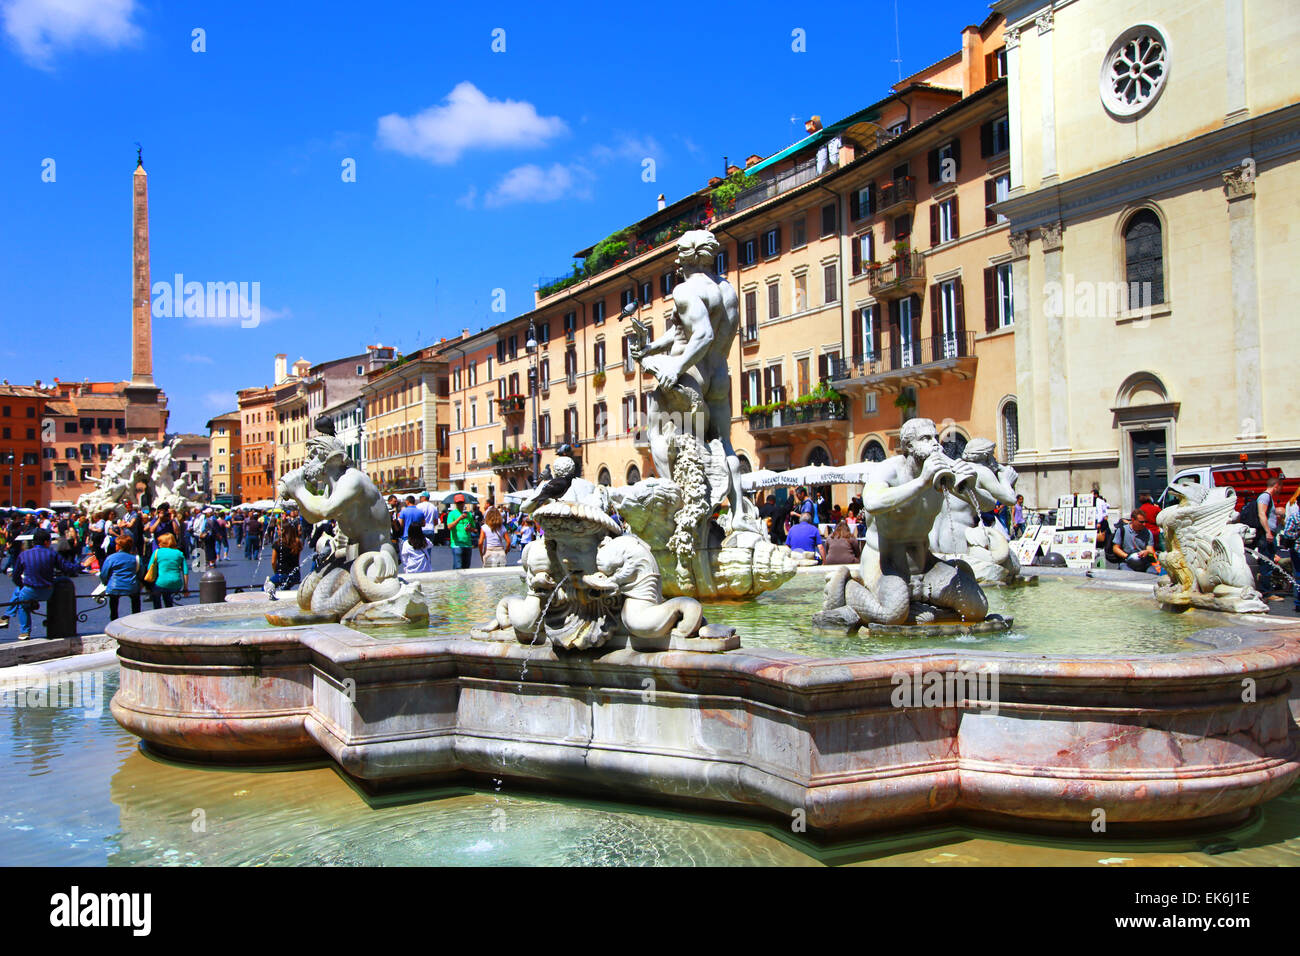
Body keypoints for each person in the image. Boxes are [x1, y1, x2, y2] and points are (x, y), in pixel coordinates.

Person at [0, 528, 80, 640]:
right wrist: (83, 565)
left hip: (30, 591)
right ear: (47, 542)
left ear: (33, 542)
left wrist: (22, 586)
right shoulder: (52, 554)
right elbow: (68, 568)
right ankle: (6, 617)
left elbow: (15, 575)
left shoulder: (24, 555)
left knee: (22, 601)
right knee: (61, 579)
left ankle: (23, 630)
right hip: (48, 591)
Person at [99, 533, 143, 620]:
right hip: (131, 585)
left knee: (114, 607)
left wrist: (105, 582)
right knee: (136, 604)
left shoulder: (111, 558)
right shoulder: (136, 558)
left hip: (114, 586)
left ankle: (114, 620)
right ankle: (136, 620)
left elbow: (104, 573)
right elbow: (140, 572)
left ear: (119, 546)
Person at [144, 533, 189, 608]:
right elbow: (185, 571)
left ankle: (158, 610)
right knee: (167, 596)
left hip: (161, 583)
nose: (158, 544)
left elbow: (149, 567)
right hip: (176, 583)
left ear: (165, 543)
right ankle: (169, 609)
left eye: (160, 542)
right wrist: (185, 587)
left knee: (157, 594)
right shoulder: (179, 553)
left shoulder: (157, 552)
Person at [270, 521, 302, 588]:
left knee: (266, 588)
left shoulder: (278, 544)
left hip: (282, 574)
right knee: (285, 588)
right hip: (295, 575)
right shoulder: (297, 543)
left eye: (278, 529)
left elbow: (273, 562)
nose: (277, 531)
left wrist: (276, 571)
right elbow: (297, 560)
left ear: (283, 531)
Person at [447, 494, 475, 569]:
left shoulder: (469, 514)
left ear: (464, 503)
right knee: (458, 567)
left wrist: (470, 529)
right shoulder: (452, 514)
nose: (460, 505)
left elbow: (475, 529)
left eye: (461, 503)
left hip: (468, 544)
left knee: (466, 567)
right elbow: (449, 527)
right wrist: (459, 518)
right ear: (455, 503)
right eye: (458, 503)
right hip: (457, 544)